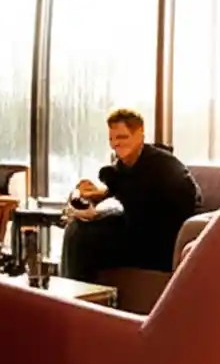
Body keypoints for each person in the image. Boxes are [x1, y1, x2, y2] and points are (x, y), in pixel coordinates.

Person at [61, 108, 201, 282]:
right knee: (78, 229)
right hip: (136, 231)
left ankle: (78, 296)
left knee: (81, 236)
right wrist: (97, 195)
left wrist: (99, 212)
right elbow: (124, 191)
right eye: (111, 139)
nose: (115, 144)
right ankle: (80, 293)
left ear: (140, 134)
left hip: (159, 242)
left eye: (122, 137)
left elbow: (150, 204)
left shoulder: (164, 166)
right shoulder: (127, 165)